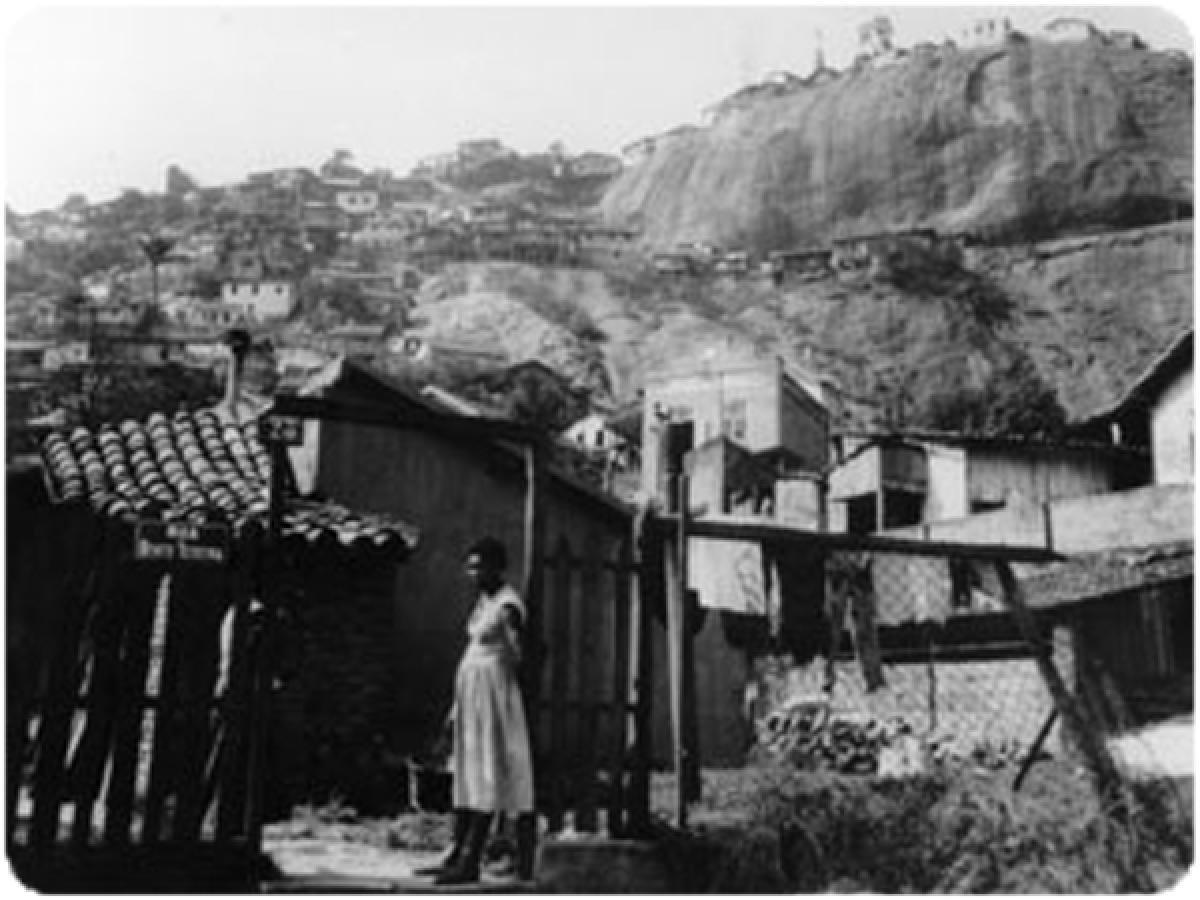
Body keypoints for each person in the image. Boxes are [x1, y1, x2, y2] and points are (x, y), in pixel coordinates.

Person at [419, 537, 536, 885]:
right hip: (471, 699)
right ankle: (455, 853)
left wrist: (502, 682)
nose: (473, 574)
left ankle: (471, 861)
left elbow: (518, 653)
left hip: (493, 700)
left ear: (497, 568)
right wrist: (456, 708)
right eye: (469, 567)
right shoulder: (483, 603)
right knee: (466, 772)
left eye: (479, 567)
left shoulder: (507, 606)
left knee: (486, 774)